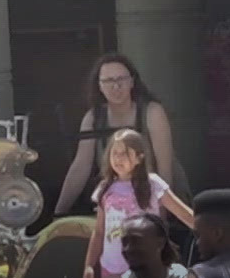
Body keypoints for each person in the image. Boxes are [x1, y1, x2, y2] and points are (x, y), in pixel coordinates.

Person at [56, 54, 186, 216]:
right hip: (116, 201)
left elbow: (165, 169)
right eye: (108, 81)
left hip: (157, 198)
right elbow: (80, 167)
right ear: (99, 86)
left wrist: (161, 216)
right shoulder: (92, 118)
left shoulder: (152, 112)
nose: (116, 86)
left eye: (121, 79)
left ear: (132, 82)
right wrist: (58, 214)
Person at [82, 129, 195, 278]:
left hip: (145, 269)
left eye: (125, 153)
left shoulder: (153, 184)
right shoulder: (105, 188)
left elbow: (184, 214)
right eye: (114, 153)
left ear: (139, 158)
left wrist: (210, 232)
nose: (118, 158)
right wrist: (89, 265)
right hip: (111, 268)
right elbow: (99, 231)